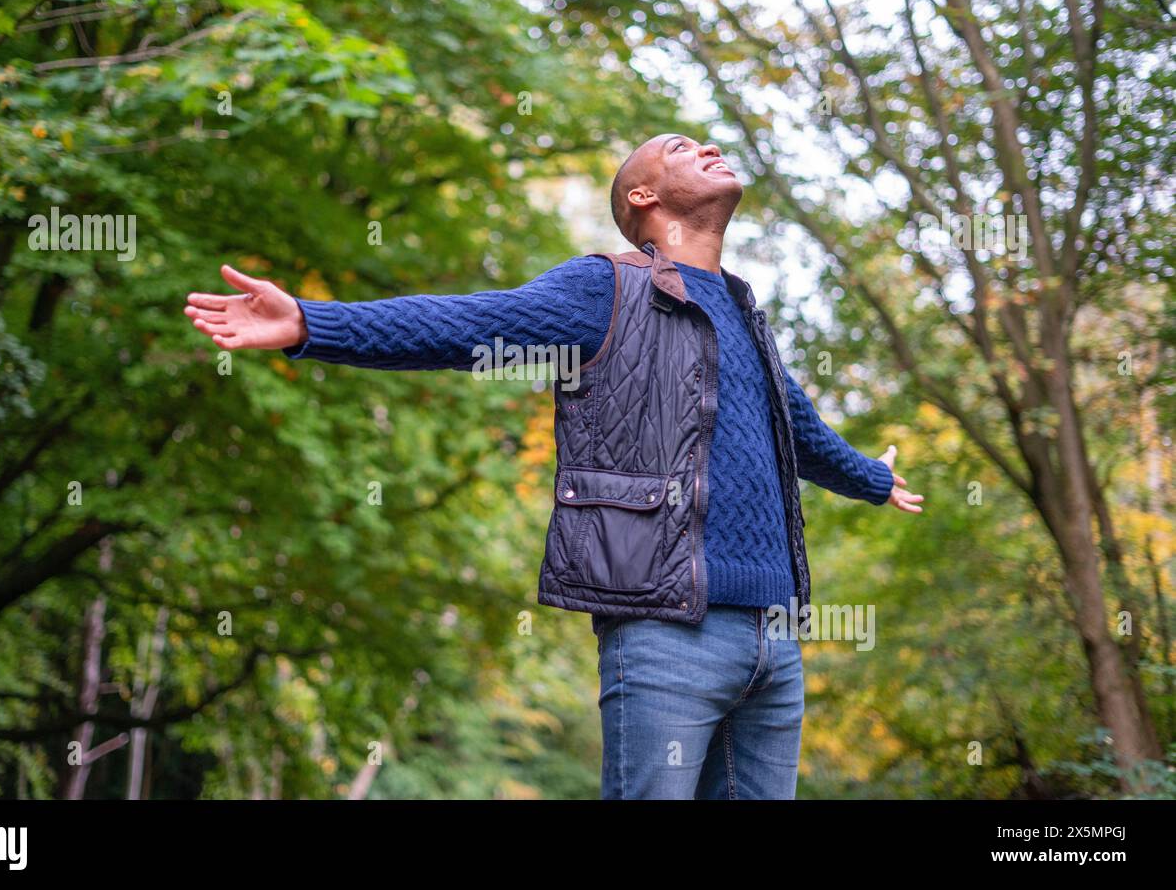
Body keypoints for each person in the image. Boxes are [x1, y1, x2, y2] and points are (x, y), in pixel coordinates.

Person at [183, 133, 924, 799]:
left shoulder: (743, 312)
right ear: (644, 196)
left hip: (774, 643)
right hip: (667, 634)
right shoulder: (605, 290)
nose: (707, 148)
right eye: (680, 147)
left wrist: (874, 477)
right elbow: (467, 326)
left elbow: (798, 427)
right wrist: (313, 323)